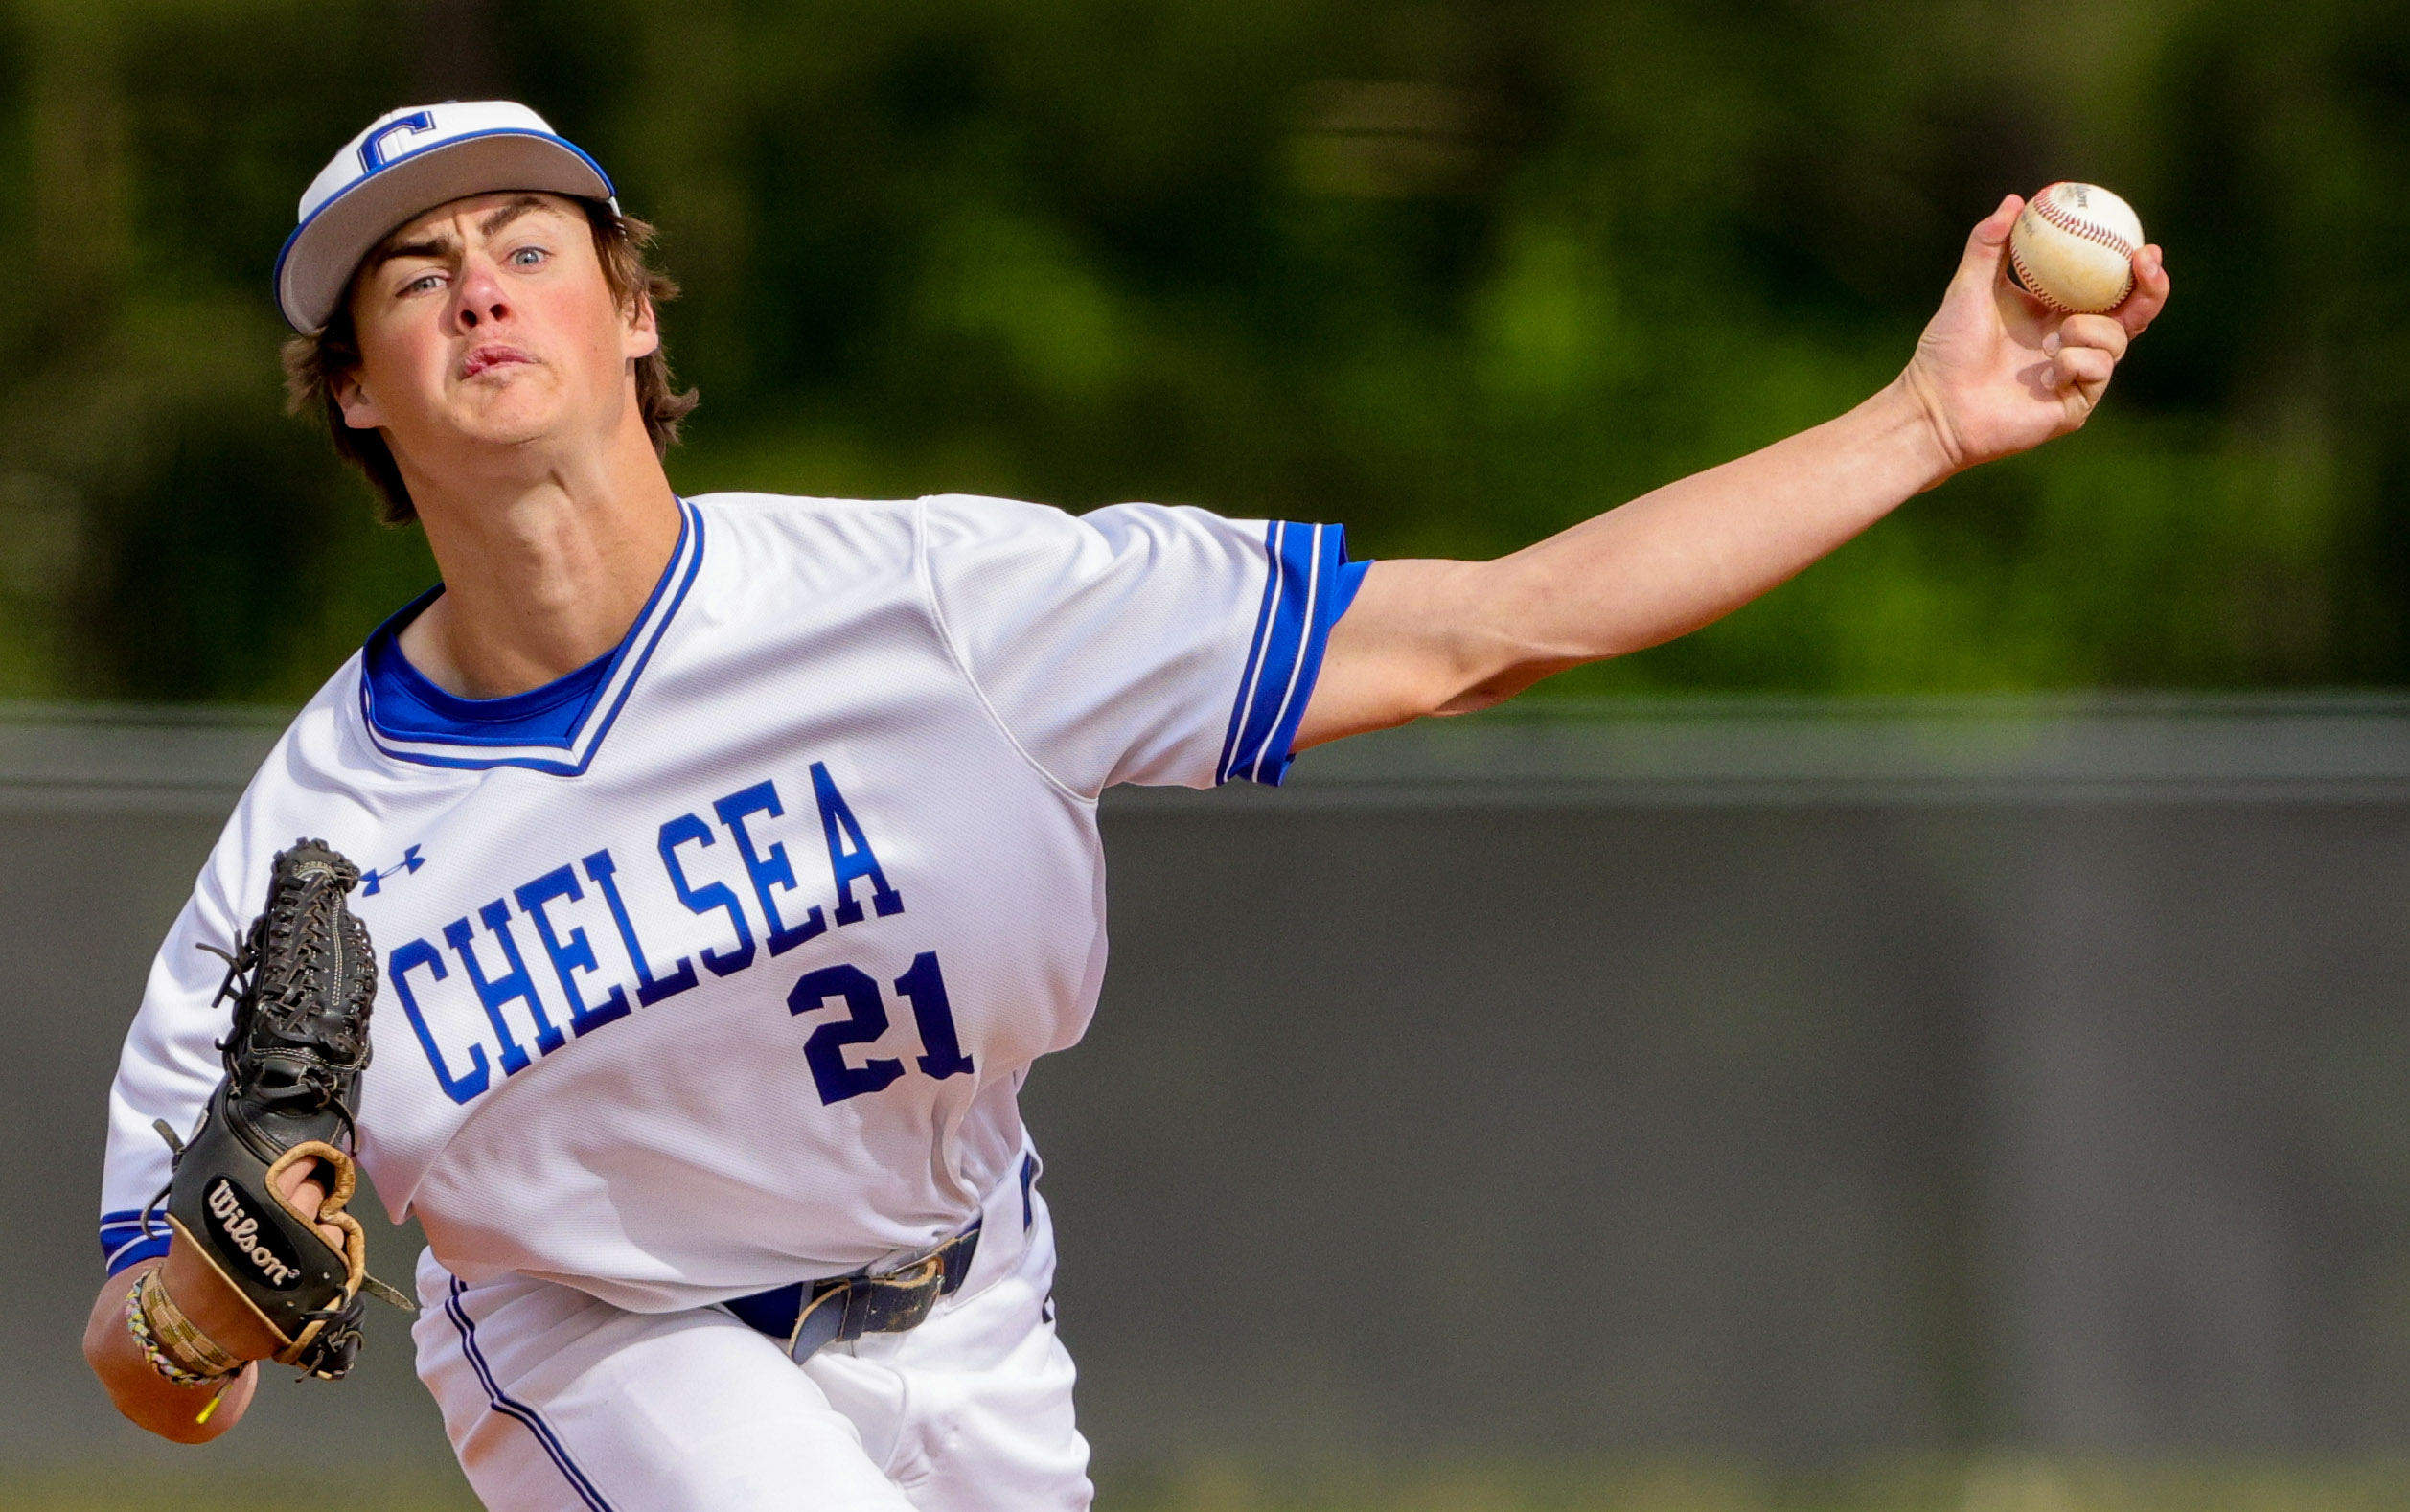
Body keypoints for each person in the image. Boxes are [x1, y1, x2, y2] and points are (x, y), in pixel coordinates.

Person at [83, 100, 2168, 1509]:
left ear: (631, 311)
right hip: (604, 1338)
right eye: (406, 275)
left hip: (966, 1291)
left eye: (525, 243)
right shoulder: (318, 845)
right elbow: (156, 1374)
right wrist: (198, 1303)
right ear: (354, 385)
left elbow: (1485, 632)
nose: (473, 286)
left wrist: (1918, 421)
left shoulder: (938, 605)